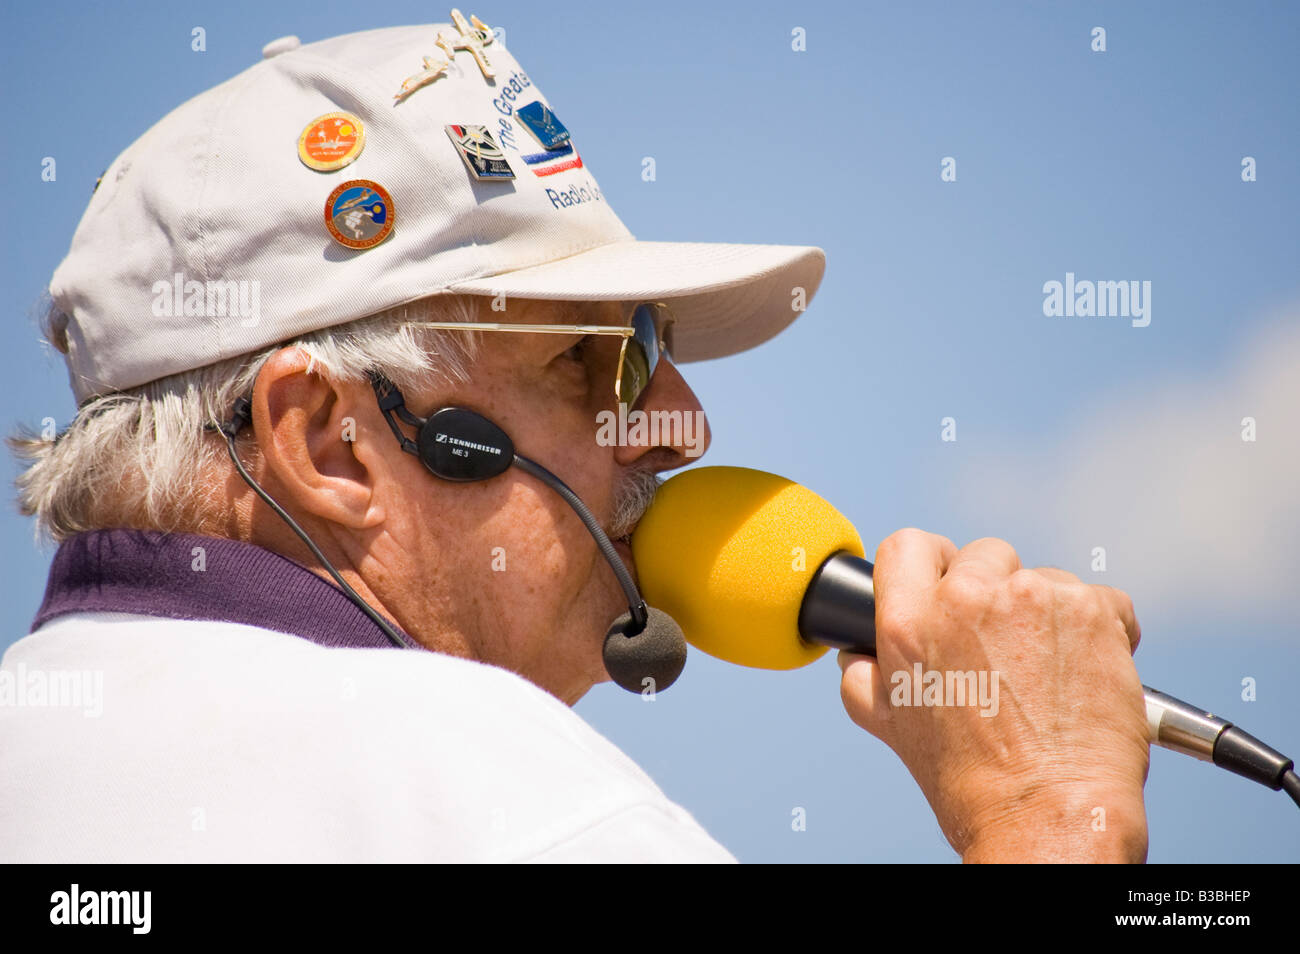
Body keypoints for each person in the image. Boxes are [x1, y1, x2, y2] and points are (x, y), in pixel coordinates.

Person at [0, 14, 1148, 863]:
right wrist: (1047, 807)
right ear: (328, 443)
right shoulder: (476, 785)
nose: (682, 425)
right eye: (595, 359)